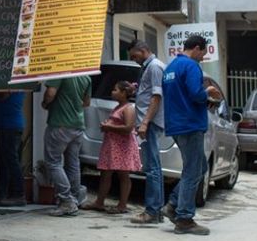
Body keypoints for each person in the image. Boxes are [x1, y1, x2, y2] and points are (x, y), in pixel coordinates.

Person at [160, 35, 222, 236]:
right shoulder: (191, 66)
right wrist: (209, 92)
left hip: (176, 124)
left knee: (200, 167)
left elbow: (179, 95)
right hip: (189, 124)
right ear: (196, 48)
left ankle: (173, 206)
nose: (202, 58)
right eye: (203, 53)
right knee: (193, 170)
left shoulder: (170, 68)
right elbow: (196, 94)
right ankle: (184, 218)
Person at [84, 80, 141, 214]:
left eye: (115, 90)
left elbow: (128, 128)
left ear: (123, 93)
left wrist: (109, 126)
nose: (112, 92)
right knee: (105, 173)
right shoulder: (119, 107)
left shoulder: (128, 108)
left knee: (123, 174)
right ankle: (99, 202)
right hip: (113, 146)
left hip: (122, 147)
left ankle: (122, 205)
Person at [41, 74, 91, 217]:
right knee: (73, 163)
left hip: (60, 124)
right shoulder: (86, 76)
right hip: (78, 125)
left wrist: (45, 103)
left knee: (53, 162)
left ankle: (66, 200)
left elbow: (50, 93)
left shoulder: (61, 72)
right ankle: (74, 199)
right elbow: (86, 102)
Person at [129, 41, 166, 225]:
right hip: (148, 123)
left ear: (143, 50)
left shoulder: (154, 67)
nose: (135, 60)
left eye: (135, 56)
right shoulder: (149, 68)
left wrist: (145, 122)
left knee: (152, 168)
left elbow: (156, 96)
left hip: (150, 124)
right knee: (153, 168)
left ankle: (152, 211)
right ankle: (155, 211)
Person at [0, 91, 26, 206]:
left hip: (10, 125)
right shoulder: (11, 82)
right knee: (3, 160)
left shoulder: (14, 83)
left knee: (11, 160)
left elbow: (1, 95)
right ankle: (1, 193)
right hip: (6, 125)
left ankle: (18, 194)